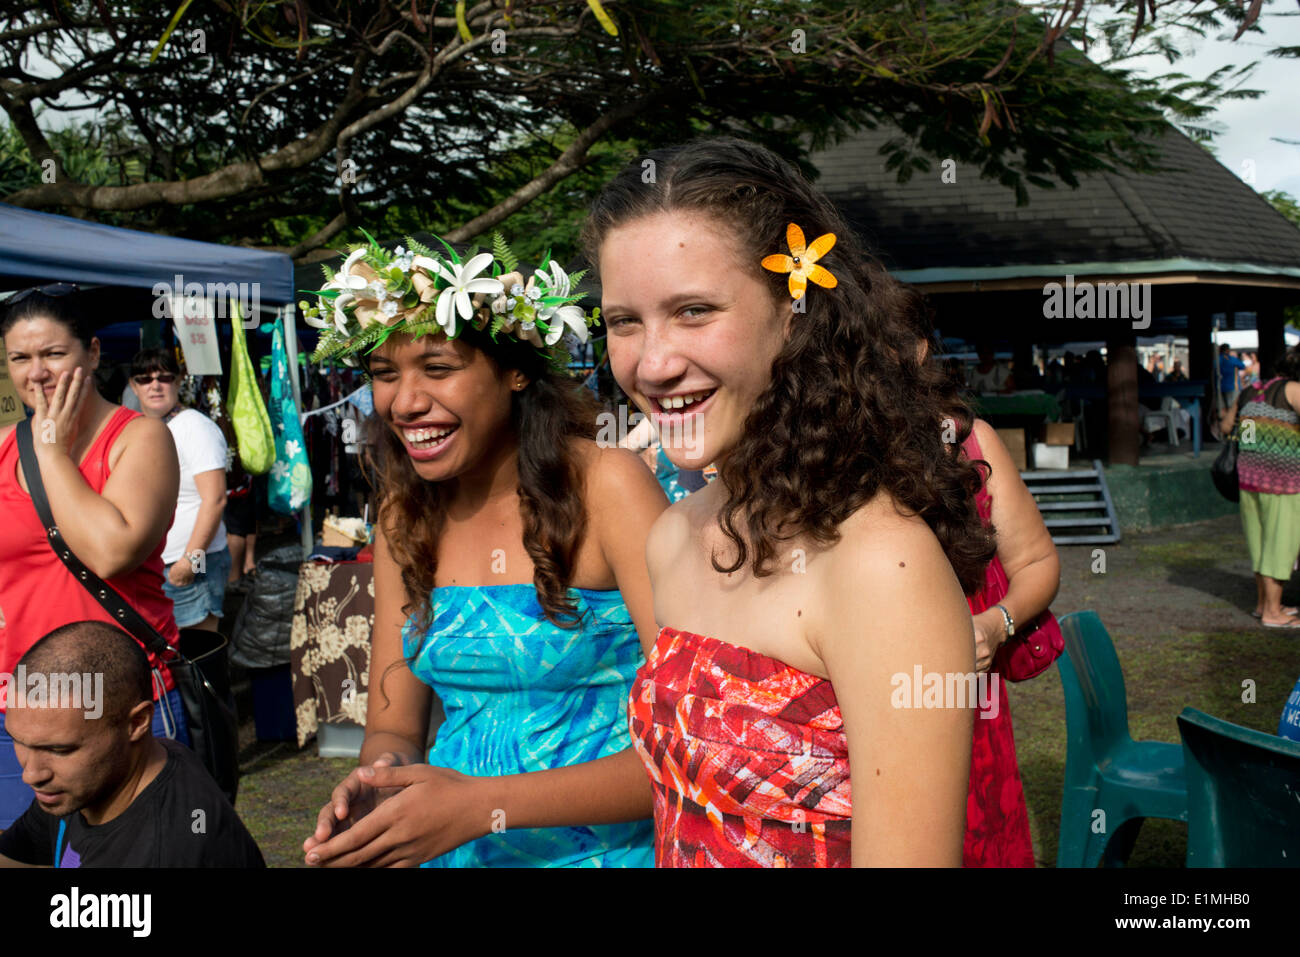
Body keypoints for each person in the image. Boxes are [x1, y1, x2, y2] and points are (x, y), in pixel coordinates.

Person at [588, 136, 994, 866]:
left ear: (794, 313)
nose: (652, 362)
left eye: (693, 310)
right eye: (624, 321)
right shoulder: (673, 535)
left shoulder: (882, 565)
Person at [301, 240, 665, 867]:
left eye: (437, 368)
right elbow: (395, 726)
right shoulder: (401, 517)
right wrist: (379, 782)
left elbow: (693, 741)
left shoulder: (608, 486)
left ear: (515, 370)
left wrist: (479, 805)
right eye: (384, 375)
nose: (405, 402)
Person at [0, 285, 187, 830]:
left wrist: (52, 450)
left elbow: (111, 552)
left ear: (94, 354)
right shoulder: (3, 449)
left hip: (124, 707)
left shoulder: (140, 439)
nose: (37, 373)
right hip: (25, 706)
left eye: (54, 354)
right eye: (20, 358)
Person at [906, 287, 1060, 867]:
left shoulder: (970, 443)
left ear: (919, 350)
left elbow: (1038, 563)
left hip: (969, 709)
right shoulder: (811, 459)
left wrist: (998, 624)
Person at [0, 621, 263, 867]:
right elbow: (17, 852)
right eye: (20, 741)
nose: (31, 774)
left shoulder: (163, 851)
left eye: (59, 750)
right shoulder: (85, 782)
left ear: (137, 723)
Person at [129, 347, 230, 631]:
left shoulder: (194, 427)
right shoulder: (144, 428)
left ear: (178, 381)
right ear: (133, 386)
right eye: (145, 379)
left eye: (164, 377)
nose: (155, 385)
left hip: (193, 563)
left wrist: (190, 560)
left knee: (197, 658)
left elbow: (216, 499)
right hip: (157, 563)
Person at [1219, 346, 1300, 627]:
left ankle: (1263, 605)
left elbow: (1227, 426)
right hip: (1283, 482)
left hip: (1249, 479)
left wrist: (1259, 430)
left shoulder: (1251, 390)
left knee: (1260, 544)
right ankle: (1273, 613)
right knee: (1279, 547)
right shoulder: (1294, 390)